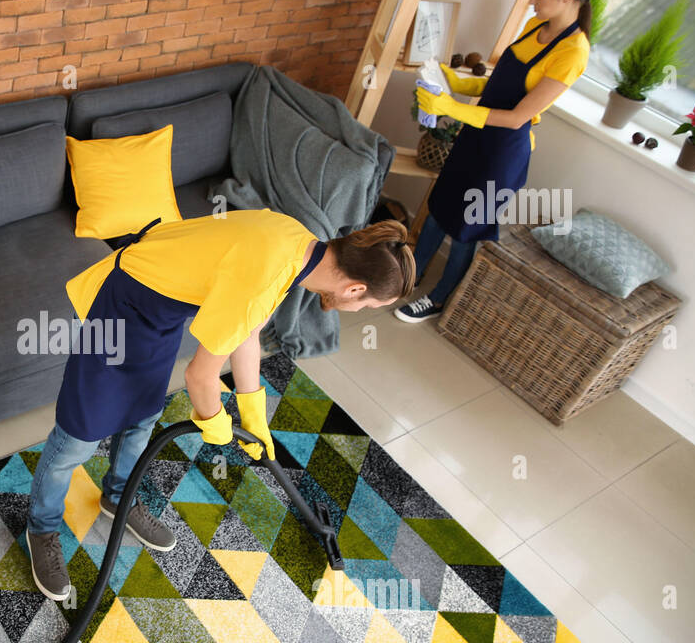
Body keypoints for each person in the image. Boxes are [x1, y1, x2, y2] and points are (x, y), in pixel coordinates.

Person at [23, 211, 415, 600]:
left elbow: (247, 333)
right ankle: (41, 528)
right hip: (124, 303)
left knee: (143, 417)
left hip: (160, 314)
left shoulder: (298, 247)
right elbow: (200, 376)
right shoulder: (271, 267)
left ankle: (119, 497)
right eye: (369, 306)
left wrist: (253, 415)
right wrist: (214, 421)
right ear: (355, 290)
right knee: (79, 435)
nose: (362, 312)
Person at [398, 0, 593, 323]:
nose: (532, 1)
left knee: (468, 226)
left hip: (503, 152)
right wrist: (458, 83)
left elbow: (519, 115)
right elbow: (499, 84)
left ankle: (438, 299)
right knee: (441, 206)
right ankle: (411, 273)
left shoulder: (573, 51)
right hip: (476, 136)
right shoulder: (535, 26)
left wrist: (452, 109)